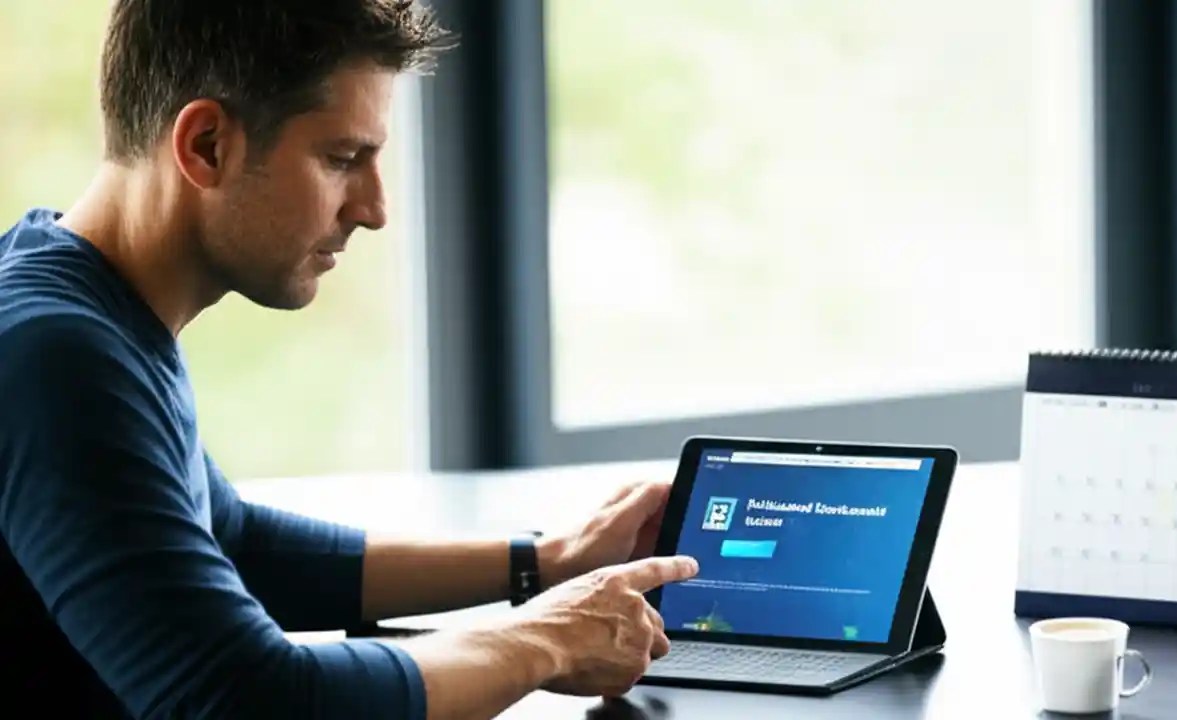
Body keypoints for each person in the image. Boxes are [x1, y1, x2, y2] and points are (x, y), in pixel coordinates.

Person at [0, 1, 699, 718]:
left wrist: (550, 560)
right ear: (206, 145)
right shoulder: (55, 358)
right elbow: (247, 703)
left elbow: (230, 542)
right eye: (342, 159)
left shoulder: (76, 299)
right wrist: (542, 641)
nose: (374, 208)